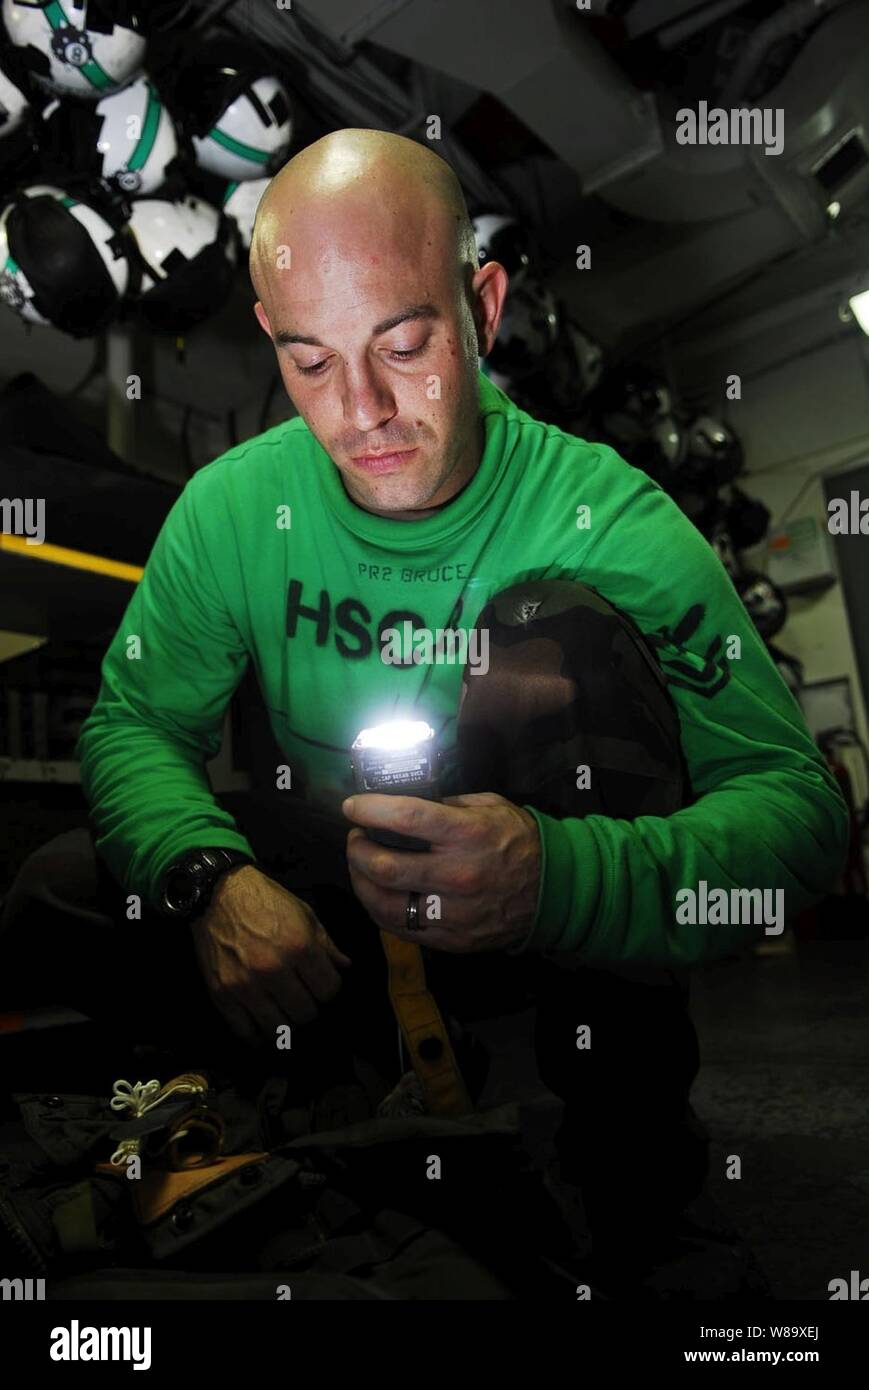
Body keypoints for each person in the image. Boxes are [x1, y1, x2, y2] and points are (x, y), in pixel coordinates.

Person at [1, 128, 847, 1296]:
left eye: (405, 344)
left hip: (534, 908)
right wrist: (209, 879)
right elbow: (132, 725)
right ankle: (296, 1112)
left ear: (483, 304)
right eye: (309, 361)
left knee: (561, 627)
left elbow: (802, 818)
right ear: (270, 342)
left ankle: (639, 1185)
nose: (360, 412)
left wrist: (557, 872)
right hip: (333, 896)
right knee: (56, 886)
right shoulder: (232, 509)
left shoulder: (608, 518)